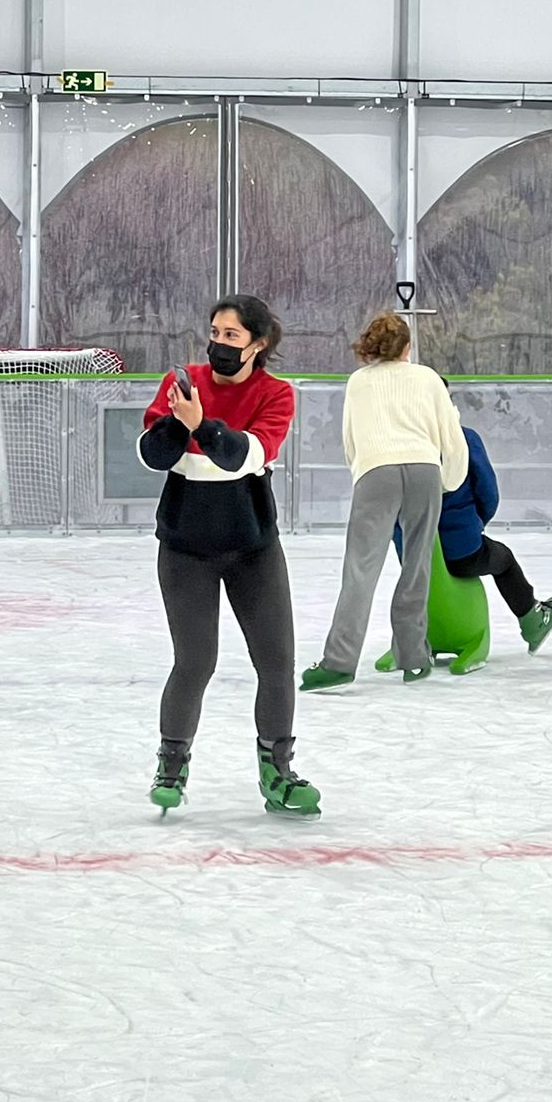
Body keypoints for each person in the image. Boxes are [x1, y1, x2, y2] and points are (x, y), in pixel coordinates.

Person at [137, 295, 315, 817]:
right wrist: (178, 422)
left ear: (258, 345)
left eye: (232, 336)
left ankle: (278, 771)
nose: (218, 343)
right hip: (185, 546)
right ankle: (172, 764)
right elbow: (153, 455)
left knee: (277, 663)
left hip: (251, 546)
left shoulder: (276, 394)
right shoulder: (184, 382)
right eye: (214, 332)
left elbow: (245, 456)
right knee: (195, 662)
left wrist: (201, 425)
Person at [303, 312, 467, 691]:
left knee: (360, 570)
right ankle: (413, 656)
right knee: (417, 566)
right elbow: (451, 433)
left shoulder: (359, 382)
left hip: (376, 471)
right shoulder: (427, 378)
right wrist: (448, 480)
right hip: (425, 470)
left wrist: (362, 473)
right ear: (407, 348)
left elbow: (351, 440)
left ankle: (339, 661)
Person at [428, 400, 552, 655]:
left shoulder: (404, 446)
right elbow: (487, 491)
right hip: (462, 551)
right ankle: (532, 619)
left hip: (418, 553)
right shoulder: (464, 439)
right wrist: (475, 524)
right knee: (504, 560)